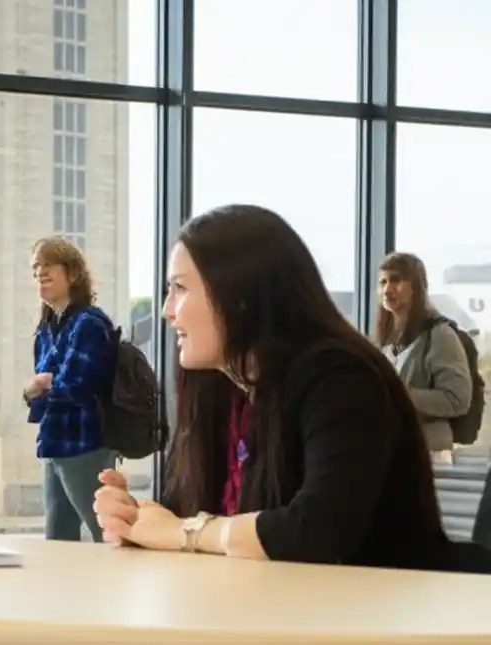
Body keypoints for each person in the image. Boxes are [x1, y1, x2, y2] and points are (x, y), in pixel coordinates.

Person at [93, 204, 455, 571]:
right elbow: (188, 514)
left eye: (180, 289)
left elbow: (319, 532)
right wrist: (135, 519)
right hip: (262, 613)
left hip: (369, 616)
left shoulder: (343, 380)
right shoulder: (221, 386)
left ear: (240, 295)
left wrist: (183, 533)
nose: (168, 310)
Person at [24, 237, 117, 542]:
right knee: (57, 538)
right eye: (36, 266)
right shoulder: (45, 330)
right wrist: (35, 390)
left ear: (73, 274)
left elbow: (78, 384)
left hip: (85, 446)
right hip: (54, 444)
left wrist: (43, 387)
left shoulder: (89, 323)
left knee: (104, 532)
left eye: (49, 264)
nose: (40, 272)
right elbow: (41, 396)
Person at [375, 251, 472, 456]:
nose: (387, 289)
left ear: (416, 287)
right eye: (382, 282)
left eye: (396, 280)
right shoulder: (385, 339)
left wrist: (403, 395)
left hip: (428, 453)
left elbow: (457, 399)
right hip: (394, 452)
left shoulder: (439, 335)